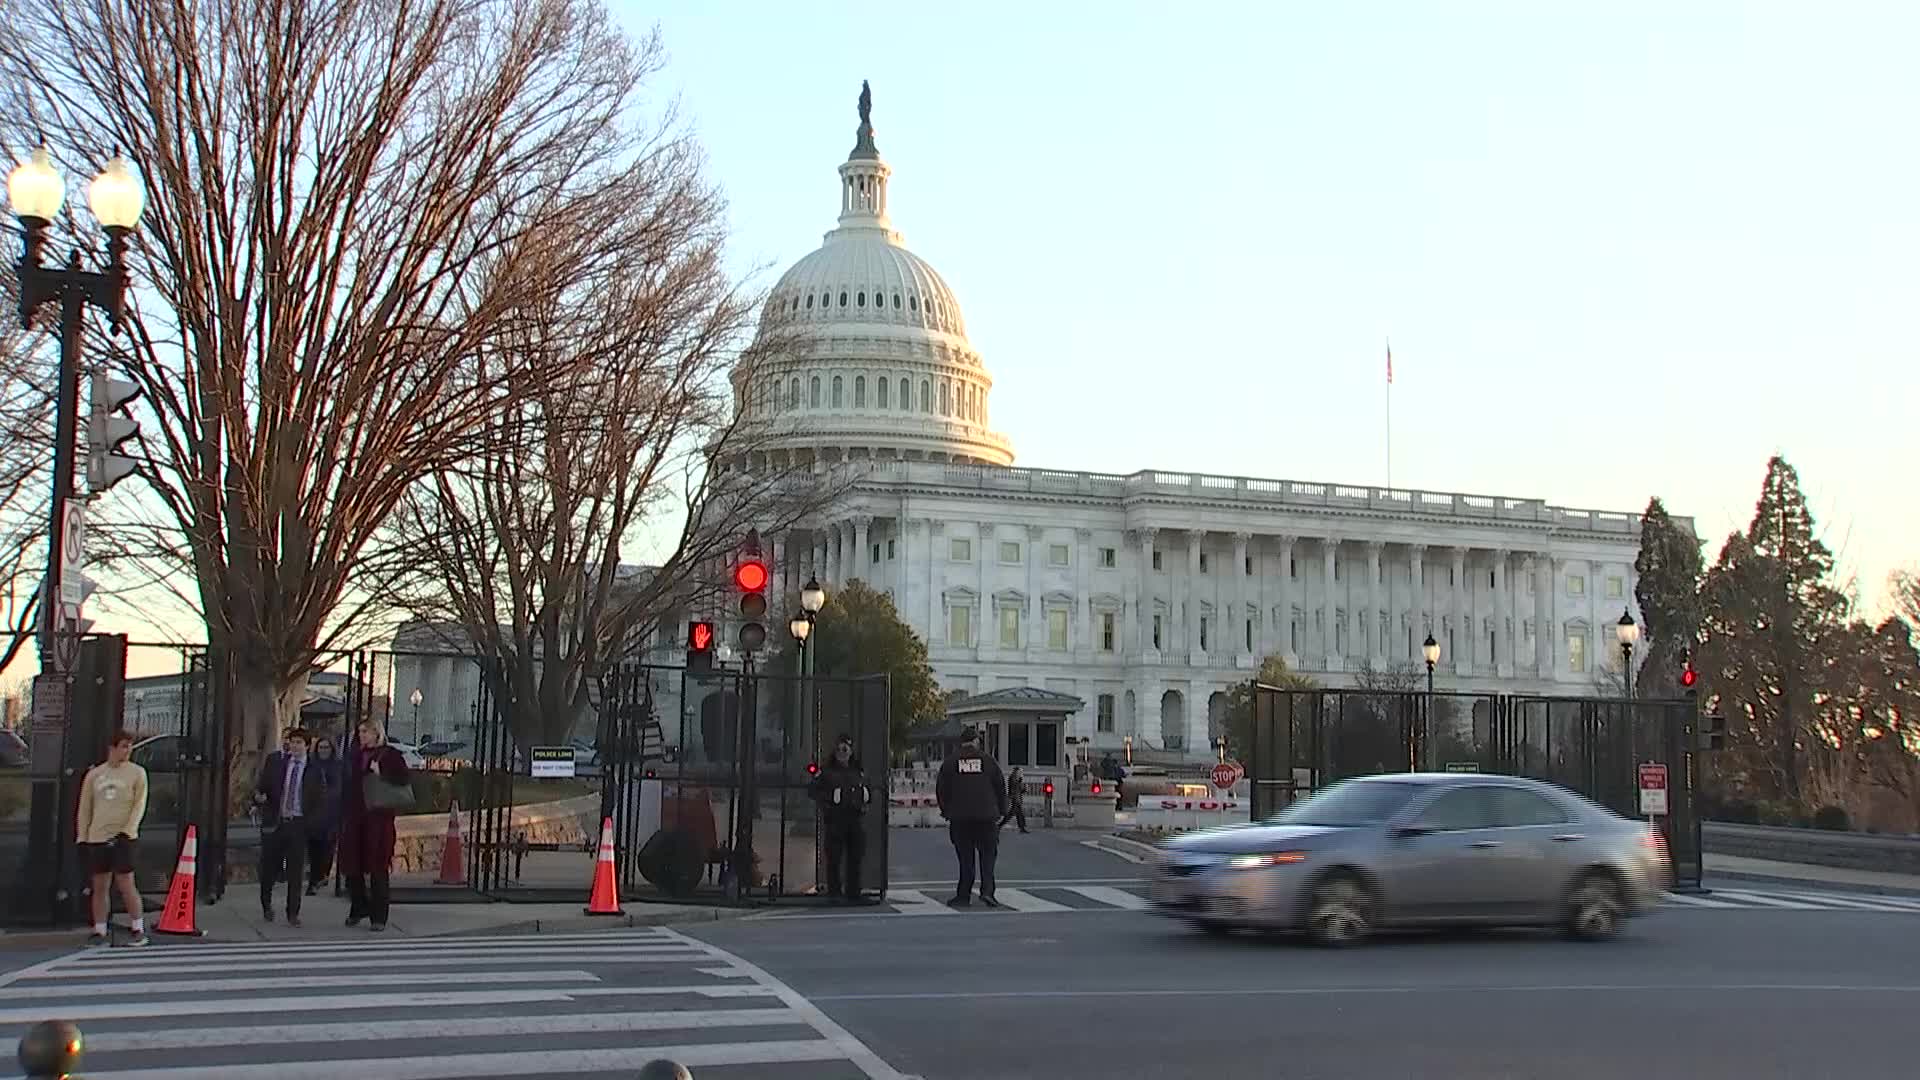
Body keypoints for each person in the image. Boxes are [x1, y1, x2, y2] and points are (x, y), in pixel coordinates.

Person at [76, 730, 150, 947]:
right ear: (112, 748)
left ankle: (137, 927)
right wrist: (83, 836)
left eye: (130, 747)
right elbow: (85, 808)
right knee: (100, 884)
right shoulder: (95, 775)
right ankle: (99, 929)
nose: (127, 751)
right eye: (123, 746)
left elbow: (139, 804)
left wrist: (128, 830)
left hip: (123, 836)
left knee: (126, 883)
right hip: (98, 836)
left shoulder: (137, 773)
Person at [252, 727, 331, 926]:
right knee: (269, 867)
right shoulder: (277, 763)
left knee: (295, 871)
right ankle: (266, 904)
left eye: (298, 743)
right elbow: (263, 786)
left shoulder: (314, 770)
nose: (294, 746)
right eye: (292, 742)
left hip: (298, 823)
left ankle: (293, 912)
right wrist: (259, 799)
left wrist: (309, 823)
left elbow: (320, 800)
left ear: (307, 746)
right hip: (277, 821)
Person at [338, 719, 410, 931]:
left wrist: (382, 772)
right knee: (352, 866)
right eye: (360, 731)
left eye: (366, 731)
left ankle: (379, 915)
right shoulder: (356, 755)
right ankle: (359, 906)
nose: (362, 735)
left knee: (378, 867)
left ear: (376, 733)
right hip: (356, 816)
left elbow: (403, 779)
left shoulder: (390, 755)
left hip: (378, 819)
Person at [935, 727, 1007, 908]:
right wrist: (1002, 811)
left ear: (961, 743)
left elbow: (941, 789)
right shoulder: (988, 761)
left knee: (966, 859)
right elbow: (1000, 786)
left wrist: (946, 811)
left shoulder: (951, 762)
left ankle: (963, 895)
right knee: (988, 856)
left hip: (960, 818)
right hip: (986, 817)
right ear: (976, 741)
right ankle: (987, 892)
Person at [809, 734, 872, 904]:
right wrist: (828, 802)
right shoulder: (827, 771)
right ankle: (835, 893)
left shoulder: (858, 770)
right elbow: (813, 791)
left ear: (851, 751)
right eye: (838, 749)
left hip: (855, 819)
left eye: (845, 749)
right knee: (834, 859)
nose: (841, 753)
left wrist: (865, 801)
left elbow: (867, 788)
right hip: (836, 820)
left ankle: (854, 892)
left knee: (855, 857)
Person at [306, 736, 343, 895]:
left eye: (326, 747)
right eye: (320, 747)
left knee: (327, 848)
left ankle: (323, 875)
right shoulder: (311, 766)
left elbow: (340, 789)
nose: (323, 751)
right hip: (313, 813)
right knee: (313, 849)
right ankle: (313, 881)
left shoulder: (338, 766)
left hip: (331, 814)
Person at [999, 767, 1030, 834]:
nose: (1021, 773)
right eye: (1020, 772)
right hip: (1015, 799)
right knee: (1012, 814)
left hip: (1017, 799)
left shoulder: (1017, 779)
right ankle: (999, 826)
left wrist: (1024, 789)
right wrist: (1021, 784)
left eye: (1021, 772)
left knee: (1019, 814)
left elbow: (1019, 790)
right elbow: (1014, 789)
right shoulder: (1013, 779)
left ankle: (1022, 828)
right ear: (1016, 772)